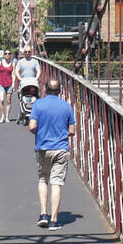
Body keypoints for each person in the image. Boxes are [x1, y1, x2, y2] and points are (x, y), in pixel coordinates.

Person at [29, 77, 75, 231]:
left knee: (43, 179)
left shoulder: (38, 104)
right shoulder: (67, 106)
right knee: (56, 182)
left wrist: (41, 132)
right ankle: (54, 221)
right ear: (60, 90)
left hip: (43, 147)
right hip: (61, 148)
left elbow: (31, 126)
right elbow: (72, 131)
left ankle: (43, 214)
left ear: (45, 89)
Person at [0, 50, 15, 122]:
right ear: (4, 55)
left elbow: (13, 74)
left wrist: (13, 84)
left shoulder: (12, 63)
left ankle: (7, 117)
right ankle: (2, 116)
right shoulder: (0, 63)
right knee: (2, 100)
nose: (7, 54)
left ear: (10, 55)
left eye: (9, 53)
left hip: (9, 83)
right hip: (1, 83)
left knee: (8, 100)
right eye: (6, 53)